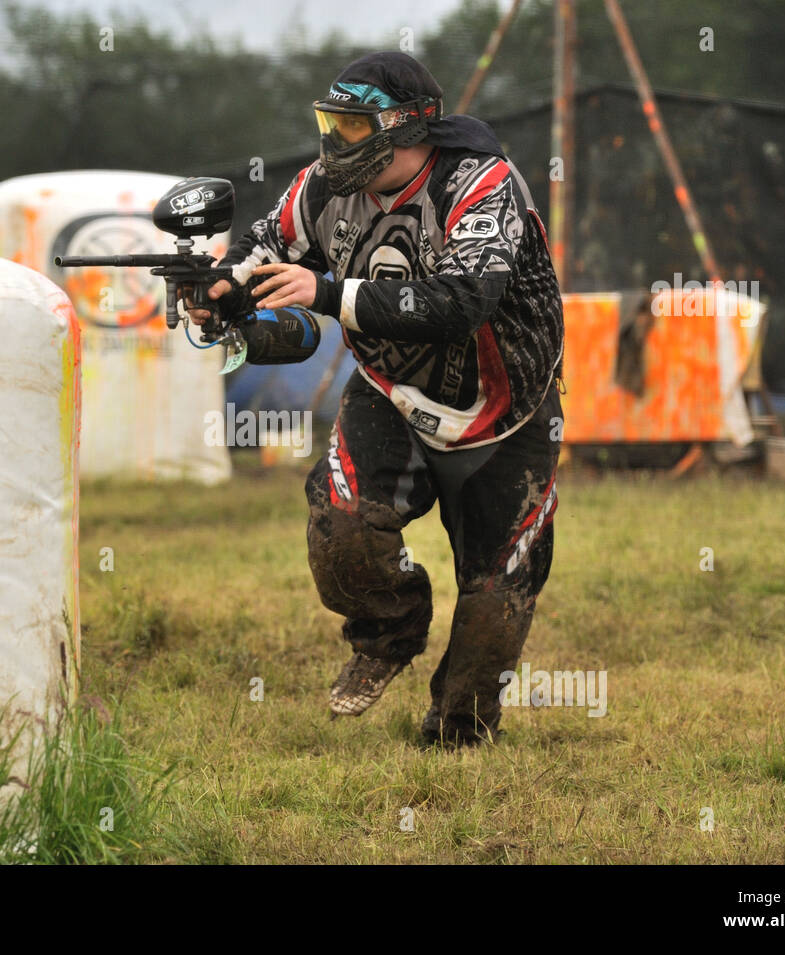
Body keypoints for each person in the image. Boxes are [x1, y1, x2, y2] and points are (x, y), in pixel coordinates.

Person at [185, 51, 564, 746]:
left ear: (407, 126)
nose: (335, 143)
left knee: (493, 609)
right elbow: (266, 249)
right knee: (341, 533)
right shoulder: (322, 188)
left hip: (507, 411)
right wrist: (219, 293)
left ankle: (458, 727)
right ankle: (390, 630)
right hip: (393, 392)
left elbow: (462, 302)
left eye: (353, 127)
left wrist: (326, 294)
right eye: (330, 122)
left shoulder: (483, 183)